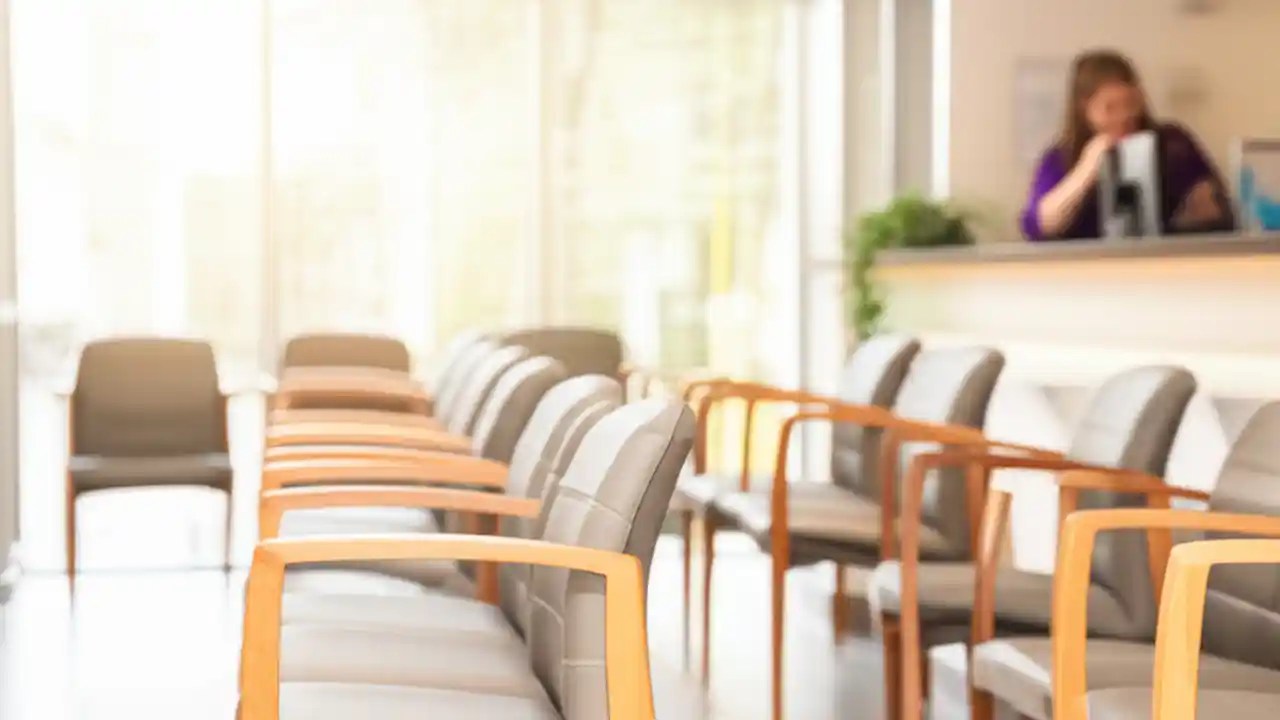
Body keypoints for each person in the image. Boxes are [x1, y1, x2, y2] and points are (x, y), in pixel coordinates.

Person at [1021, 50, 1233, 241]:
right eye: (1110, 108)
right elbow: (1038, 225)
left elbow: (1219, 208)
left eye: (1130, 104)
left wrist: (1205, 206)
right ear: (1084, 108)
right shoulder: (1060, 157)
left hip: (1168, 266)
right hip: (1089, 273)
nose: (1123, 116)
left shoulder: (1173, 143)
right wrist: (1087, 169)